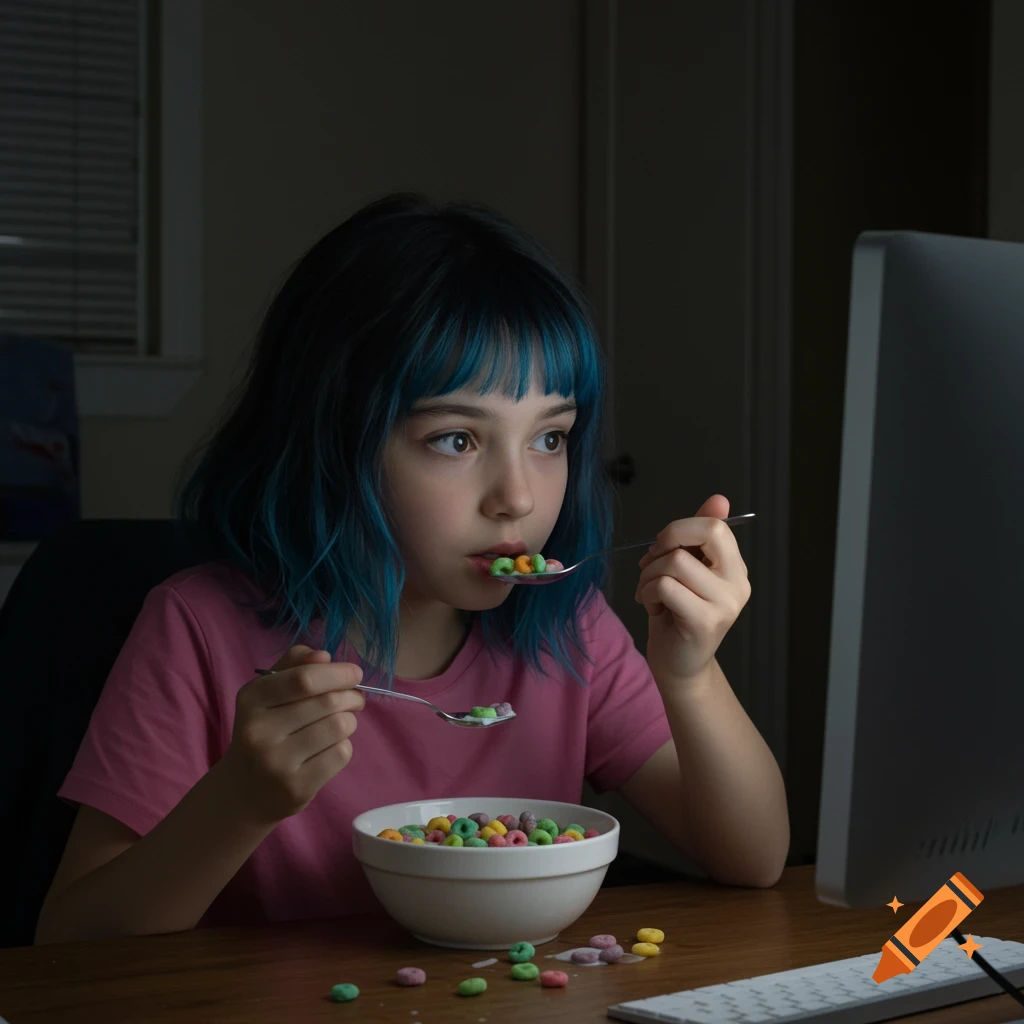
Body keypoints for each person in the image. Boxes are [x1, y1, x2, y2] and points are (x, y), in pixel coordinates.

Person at [34, 194, 789, 943]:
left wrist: (691, 676)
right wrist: (239, 801)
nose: (518, 498)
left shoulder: (568, 627)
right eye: (456, 440)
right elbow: (71, 943)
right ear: (335, 442)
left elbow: (754, 859)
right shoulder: (199, 631)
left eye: (550, 438)